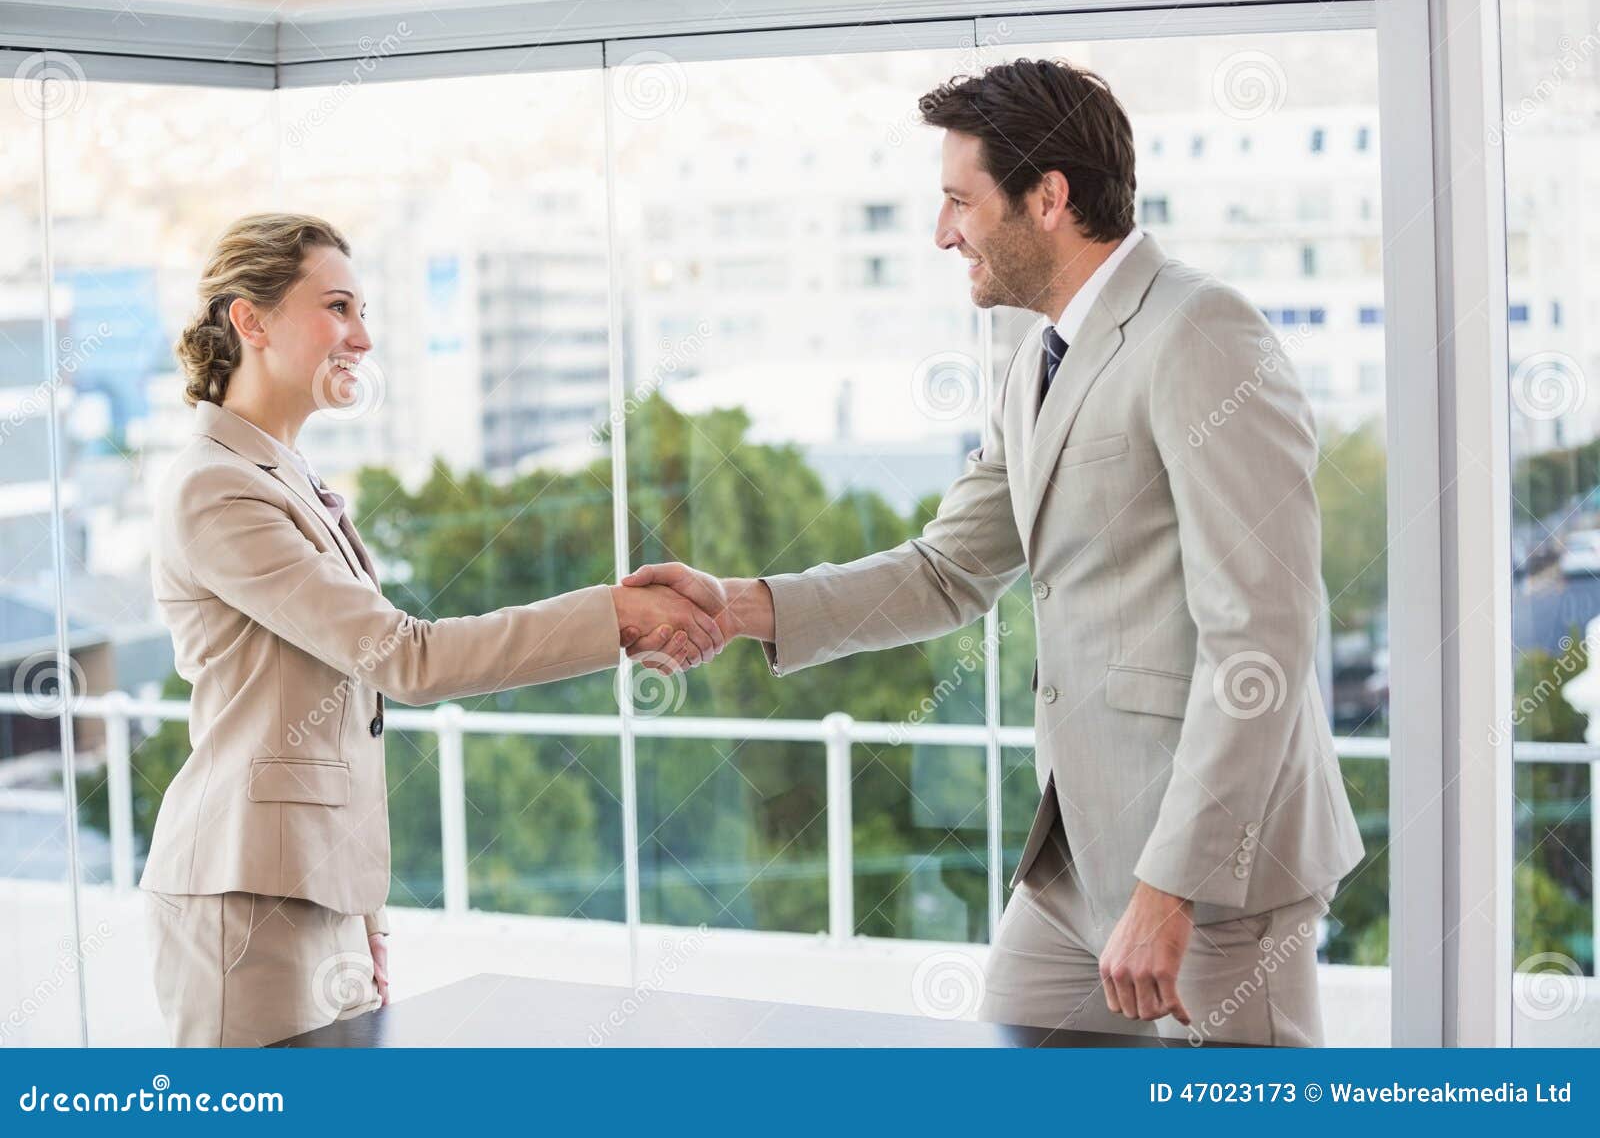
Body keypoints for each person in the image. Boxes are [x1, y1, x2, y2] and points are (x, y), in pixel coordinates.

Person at [622, 59, 1365, 1047]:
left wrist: (1170, 883)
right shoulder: (1038, 361)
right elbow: (945, 569)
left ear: (1047, 197)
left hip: (1214, 875)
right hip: (1079, 856)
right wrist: (736, 601)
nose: (942, 233)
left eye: (958, 202)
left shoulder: (1200, 333)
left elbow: (1262, 632)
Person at [142, 212, 720, 1046]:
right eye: (338, 307)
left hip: (307, 891)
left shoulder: (281, 473)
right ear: (250, 319)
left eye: (365, 311)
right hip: (244, 900)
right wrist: (615, 617)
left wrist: (360, 909)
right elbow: (404, 659)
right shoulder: (217, 489)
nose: (363, 338)